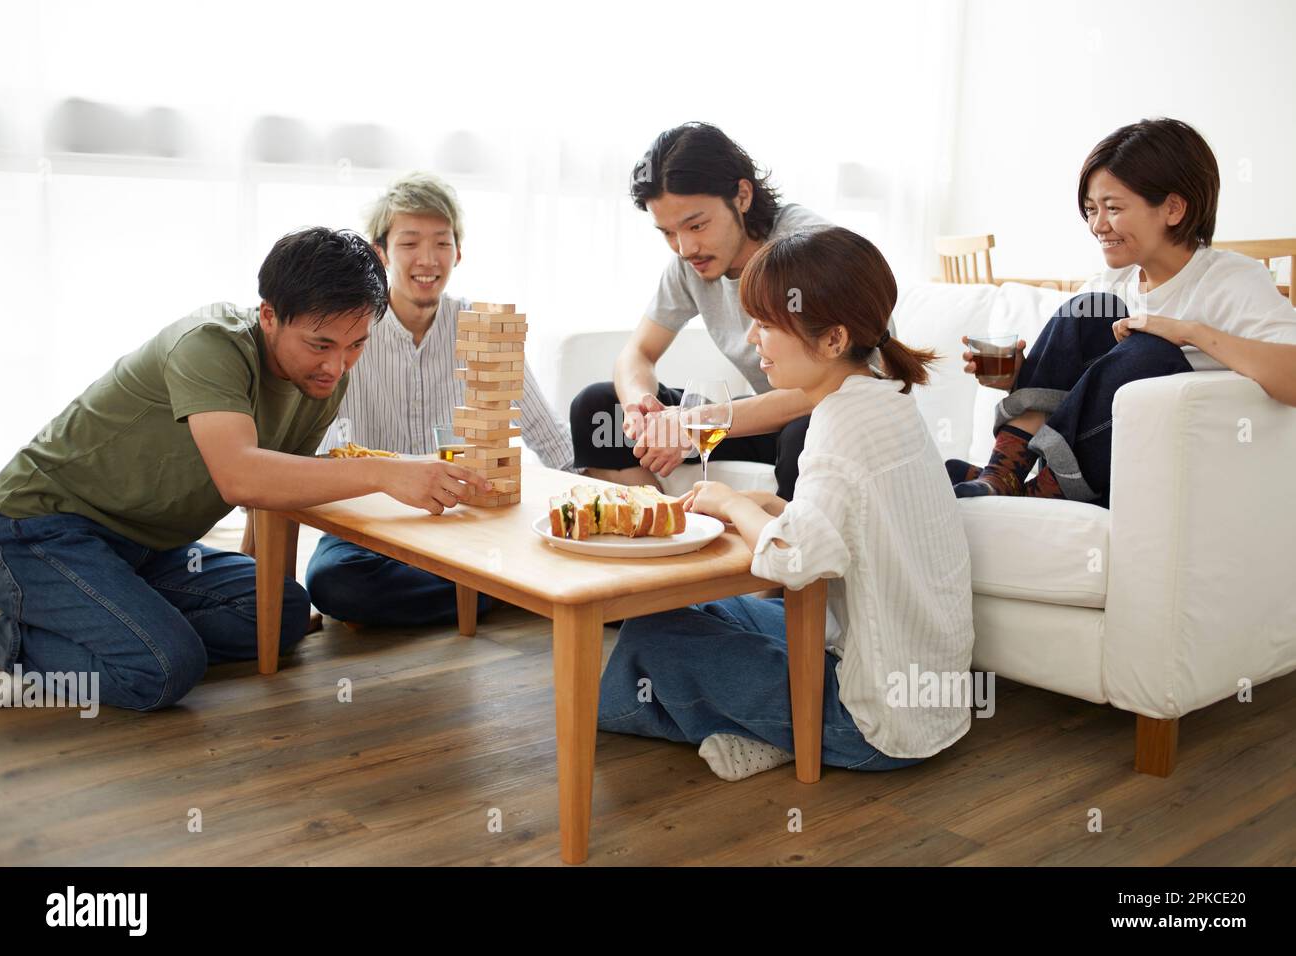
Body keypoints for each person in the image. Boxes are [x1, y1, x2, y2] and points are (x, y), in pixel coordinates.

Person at [0, 227, 490, 711]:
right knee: (164, 668)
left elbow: (279, 488)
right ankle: (10, 636)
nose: (337, 367)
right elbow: (242, 476)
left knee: (284, 613)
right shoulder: (209, 344)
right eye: (320, 345)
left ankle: (111, 614)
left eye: (356, 345)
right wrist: (386, 473)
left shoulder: (321, 379)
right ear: (269, 316)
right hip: (38, 527)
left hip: (148, 547)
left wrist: (266, 588)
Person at [597, 227, 974, 781]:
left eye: (768, 324)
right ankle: (761, 729)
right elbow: (853, 528)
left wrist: (729, 501)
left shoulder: (839, 423)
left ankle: (764, 729)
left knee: (654, 633)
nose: (753, 338)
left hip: (875, 726)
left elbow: (796, 561)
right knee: (694, 612)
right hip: (929, 701)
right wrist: (768, 506)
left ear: (833, 340)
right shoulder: (884, 399)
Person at [948, 117, 1296, 506]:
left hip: (1157, 475)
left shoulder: (1231, 279)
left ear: (1174, 209)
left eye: (1113, 208)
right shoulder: (1106, 285)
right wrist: (1017, 376)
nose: (1098, 225)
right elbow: (1076, 397)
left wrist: (1190, 333)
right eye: (1090, 209)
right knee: (1090, 310)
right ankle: (1003, 474)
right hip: (1097, 463)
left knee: (1149, 350)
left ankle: (1042, 489)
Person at [301, 172, 575, 628]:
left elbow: (549, 437)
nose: (427, 260)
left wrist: (589, 497)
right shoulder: (347, 333)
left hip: (468, 520)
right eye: (409, 243)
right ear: (381, 252)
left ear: (458, 253)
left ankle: (487, 586)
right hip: (372, 524)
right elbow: (307, 450)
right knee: (335, 582)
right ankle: (506, 591)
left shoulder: (484, 327)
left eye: (441, 244)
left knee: (536, 545)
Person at [570, 122, 892, 500]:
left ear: (741, 195)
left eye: (697, 225)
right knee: (597, 410)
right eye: (668, 232)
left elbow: (848, 383)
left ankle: (783, 554)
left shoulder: (807, 252)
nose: (685, 247)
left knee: (805, 434)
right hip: (763, 422)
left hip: (836, 415)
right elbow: (637, 354)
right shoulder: (692, 264)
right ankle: (661, 536)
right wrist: (645, 414)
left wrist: (693, 423)